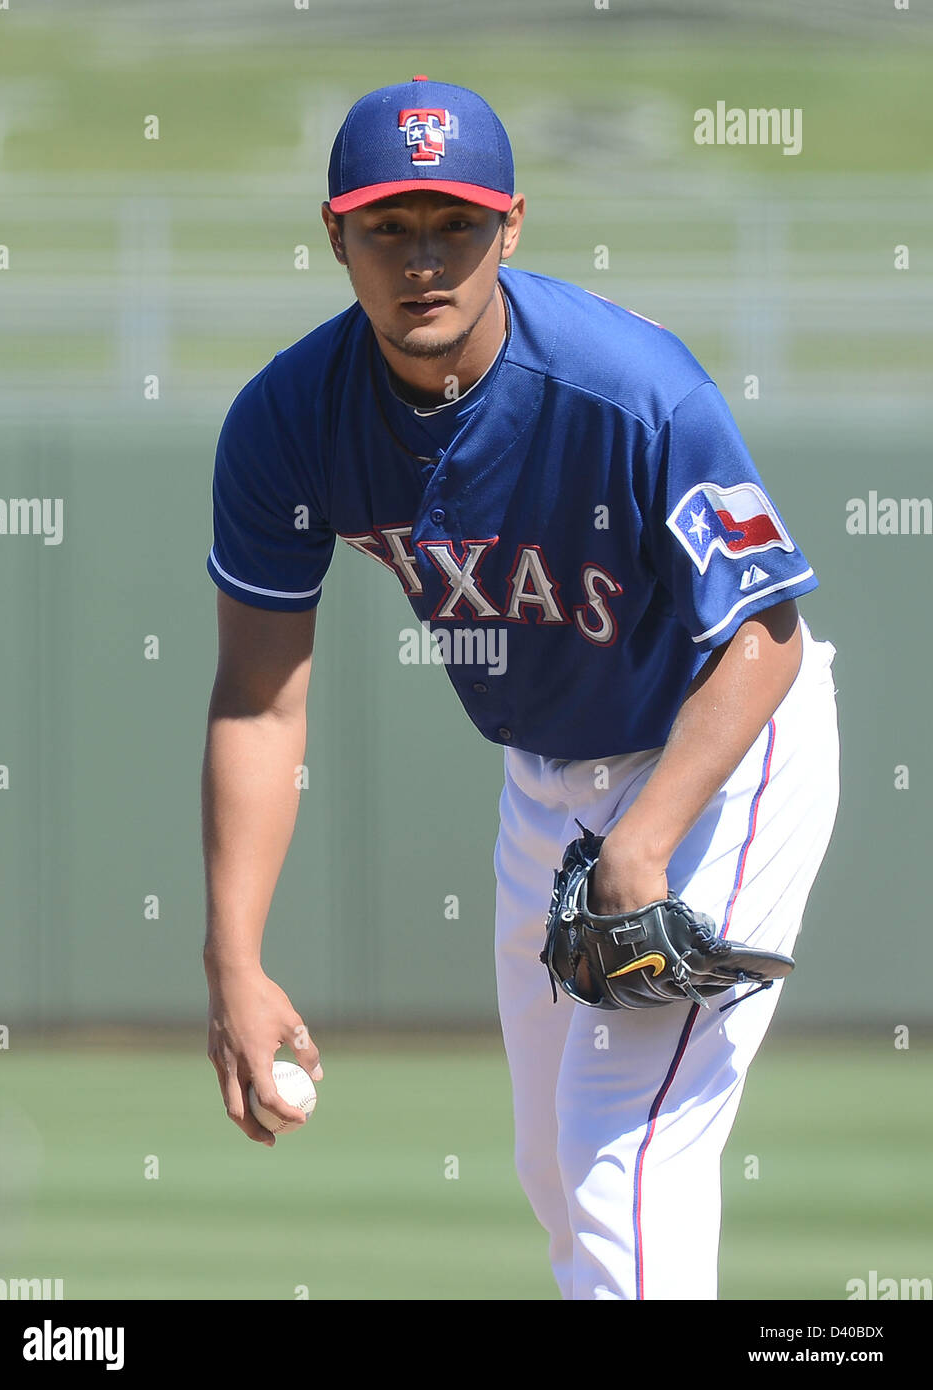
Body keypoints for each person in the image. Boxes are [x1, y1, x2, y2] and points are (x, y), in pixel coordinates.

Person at [202, 77, 840, 1300]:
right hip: (547, 777)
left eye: (458, 223)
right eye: (390, 227)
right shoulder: (287, 421)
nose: (425, 259)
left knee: (622, 1154)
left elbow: (767, 633)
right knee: (552, 1164)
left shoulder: (632, 387)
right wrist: (232, 956)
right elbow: (256, 702)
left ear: (514, 226)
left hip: (722, 746)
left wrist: (646, 842)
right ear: (335, 233)